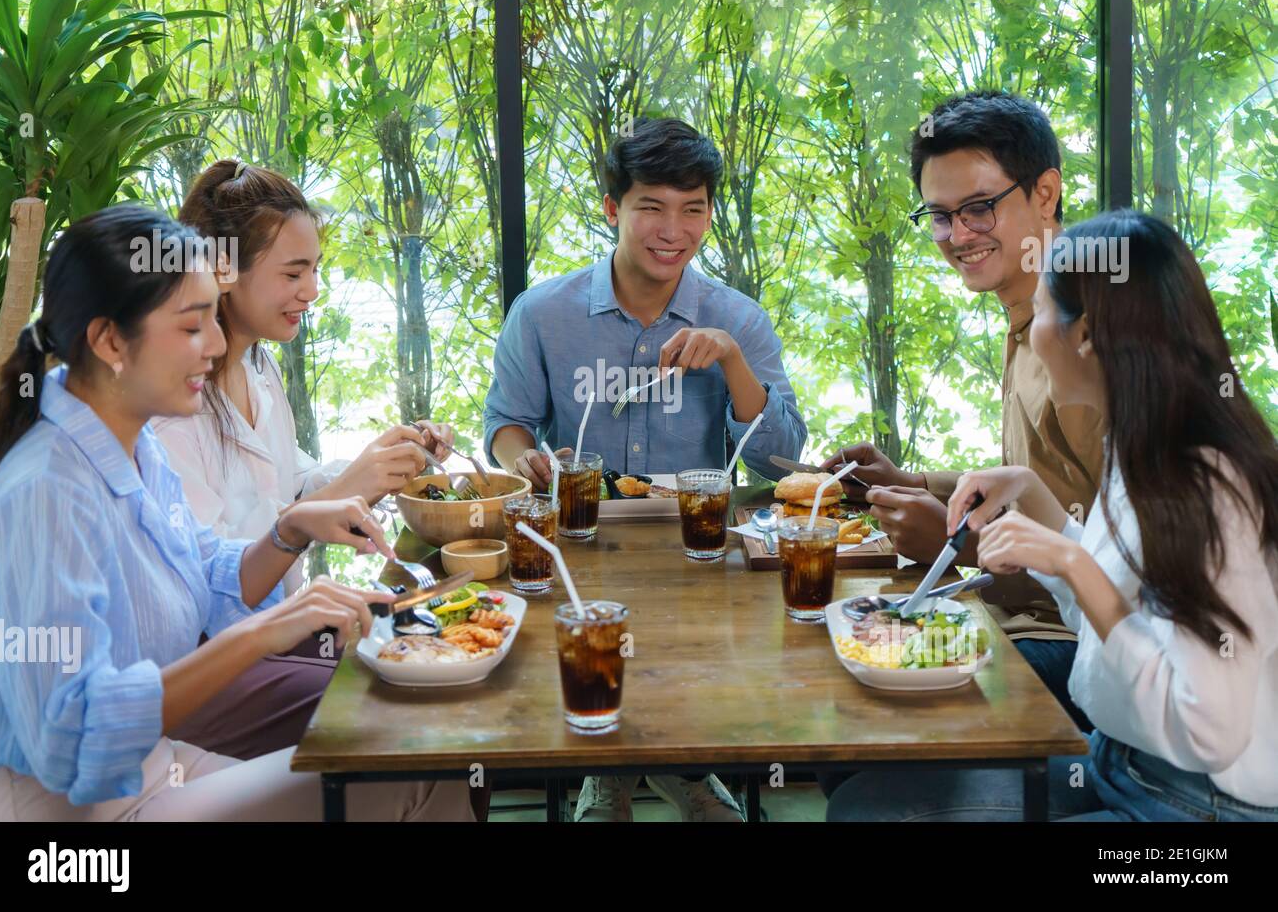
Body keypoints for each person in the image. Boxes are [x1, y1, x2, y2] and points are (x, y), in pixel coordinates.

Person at [0, 206, 475, 821]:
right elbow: (71, 741)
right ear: (109, 341)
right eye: (192, 326)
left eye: (214, 317)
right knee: (418, 769)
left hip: (155, 768)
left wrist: (290, 531)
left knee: (426, 755)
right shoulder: (45, 492)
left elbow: (209, 574)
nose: (215, 345)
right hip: (71, 817)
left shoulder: (137, 449)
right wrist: (263, 632)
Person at [828, 211, 1278, 821]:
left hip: (1198, 808)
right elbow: (1115, 611)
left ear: (1085, 335)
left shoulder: (1204, 486)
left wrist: (1071, 560)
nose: (1030, 333)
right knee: (867, 806)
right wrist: (1033, 493)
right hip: (1122, 762)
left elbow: (1209, 729)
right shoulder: (1143, 440)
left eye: (1040, 313)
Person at [484, 117, 808, 821]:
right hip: (583, 546)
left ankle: (686, 766)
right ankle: (611, 769)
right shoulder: (543, 313)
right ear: (612, 209)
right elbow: (504, 426)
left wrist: (732, 361)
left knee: (706, 651)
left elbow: (778, 454)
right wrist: (528, 460)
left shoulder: (737, 319)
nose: (674, 230)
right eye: (651, 207)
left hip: (700, 554)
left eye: (693, 209)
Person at [150, 159, 454, 761]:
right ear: (223, 270)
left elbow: (292, 483)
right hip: (215, 659)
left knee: (439, 657)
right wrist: (345, 488)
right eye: (294, 272)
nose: (312, 291)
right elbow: (220, 585)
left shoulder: (258, 365)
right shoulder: (170, 408)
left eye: (314, 269)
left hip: (281, 628)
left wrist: (383, 461)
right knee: (409, 702)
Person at [820, 91, 1102, 734]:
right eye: (941, 216)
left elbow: (1139, 561)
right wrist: (916, 484)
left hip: (1077, 647)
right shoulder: (1028, 310)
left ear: (1046, 194)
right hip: (1024, 623)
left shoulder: (1086, 333)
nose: (959, 236)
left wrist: (969, 547)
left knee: (855, 730)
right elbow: (1047, 484)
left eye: (979, 208)